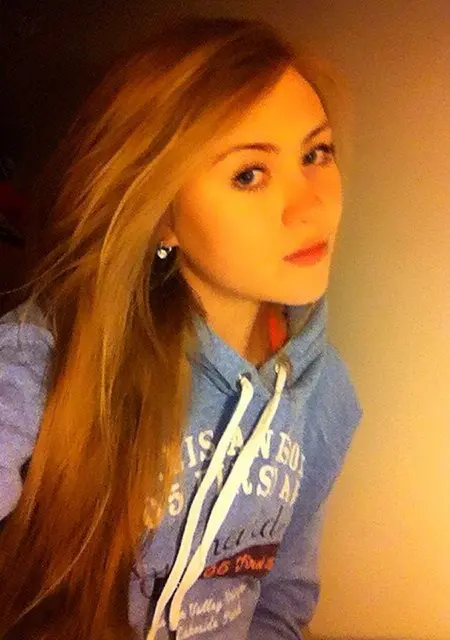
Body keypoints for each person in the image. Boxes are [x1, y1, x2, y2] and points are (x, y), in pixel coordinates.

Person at [0, 14, 363, 640]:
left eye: (316, 153)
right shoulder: (53, 353)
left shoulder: (325, 395)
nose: (310, 204)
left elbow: (281, 597)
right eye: (249, 174)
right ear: (162, 213)